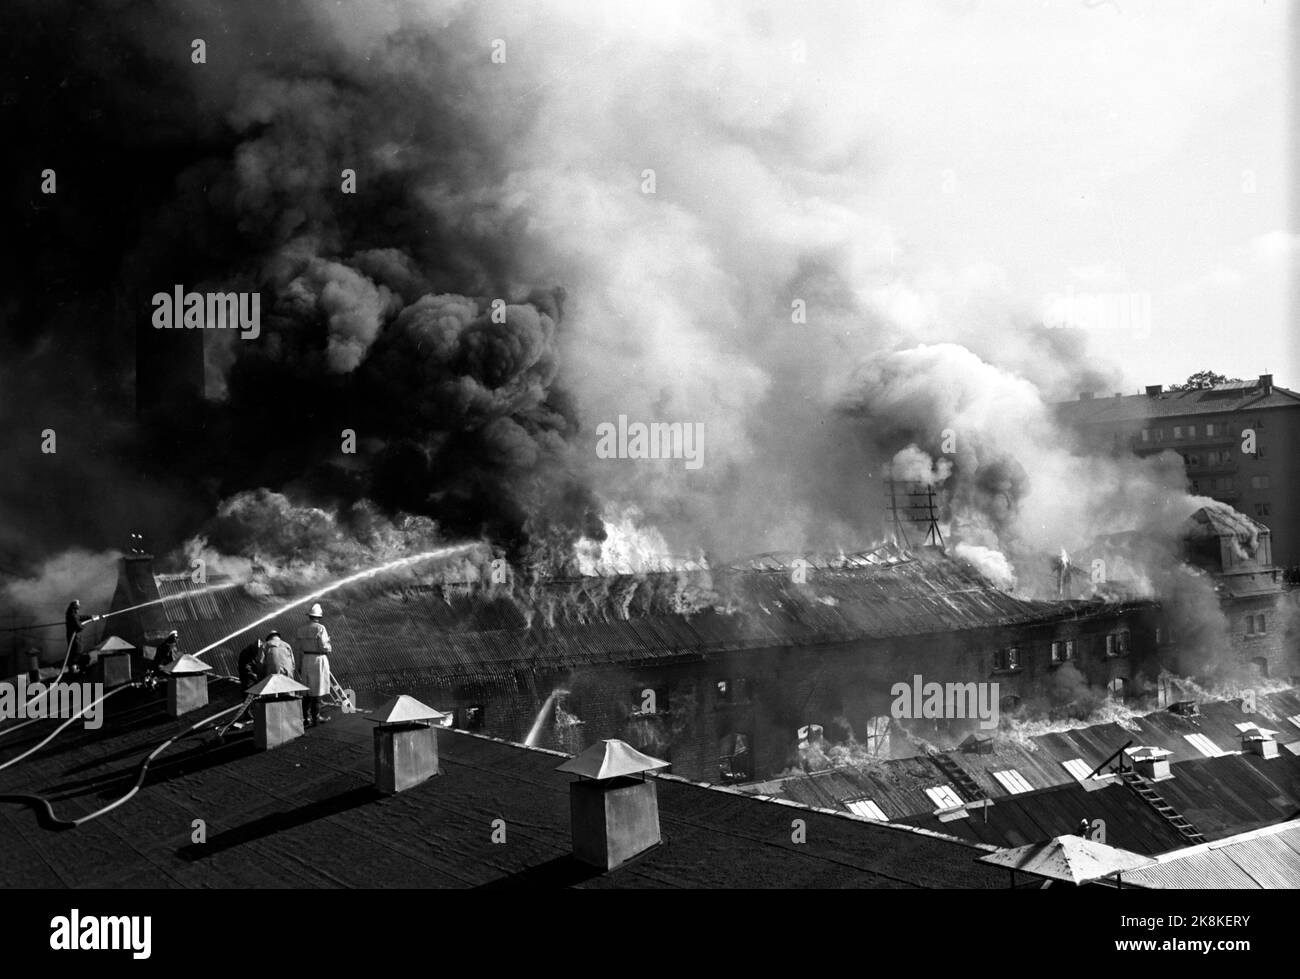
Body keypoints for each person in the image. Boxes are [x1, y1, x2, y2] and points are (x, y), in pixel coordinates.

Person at [296, 603, 333, 727]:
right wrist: (328, 644)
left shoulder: (301, 629)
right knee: (318, 690)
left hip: (306, 659)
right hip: (318, 660)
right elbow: (324, 647)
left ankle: (305, 718)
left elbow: (299, 647)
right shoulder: (320, 628)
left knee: (306, 691)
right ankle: (316, 718)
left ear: (309, 616)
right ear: (319, 617)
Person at [64, 600, 99, 674]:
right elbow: (79, 627)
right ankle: (74, 671)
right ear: (74, 608)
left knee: (76, 654)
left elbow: (81, 617)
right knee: (77, 653)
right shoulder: (72, 616)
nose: (78, 610)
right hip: (75, 640)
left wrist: (91, 617)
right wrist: (86, 623)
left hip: (75, 639)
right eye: (77, 608)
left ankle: (76, 669)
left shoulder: (72, 614)